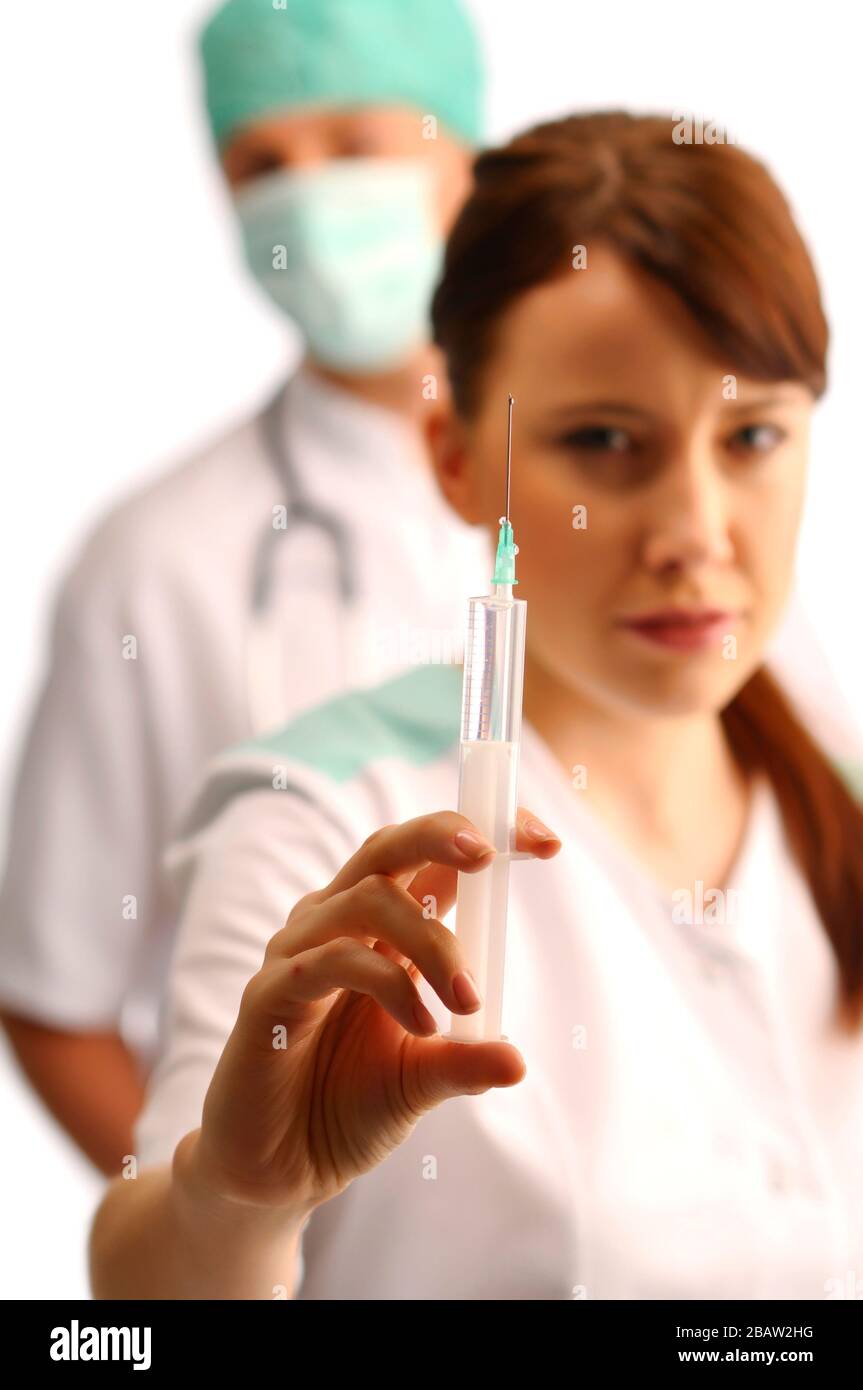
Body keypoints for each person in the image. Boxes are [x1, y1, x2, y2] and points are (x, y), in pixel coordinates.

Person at [93, 107, 863, 1301]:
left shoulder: (829, 782)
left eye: (751, 435)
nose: (694, 534)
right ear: (458, 461)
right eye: (604, 440)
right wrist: (240, 1200)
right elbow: (146, 1286)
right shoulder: (318, 823)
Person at [0, 0, 489, 1175]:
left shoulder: (647, 484)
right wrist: (225, 1226)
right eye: (261, 164)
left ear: (471, 159)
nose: (309, 200)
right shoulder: (155, 559)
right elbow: (51, 989)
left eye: (357, 144)